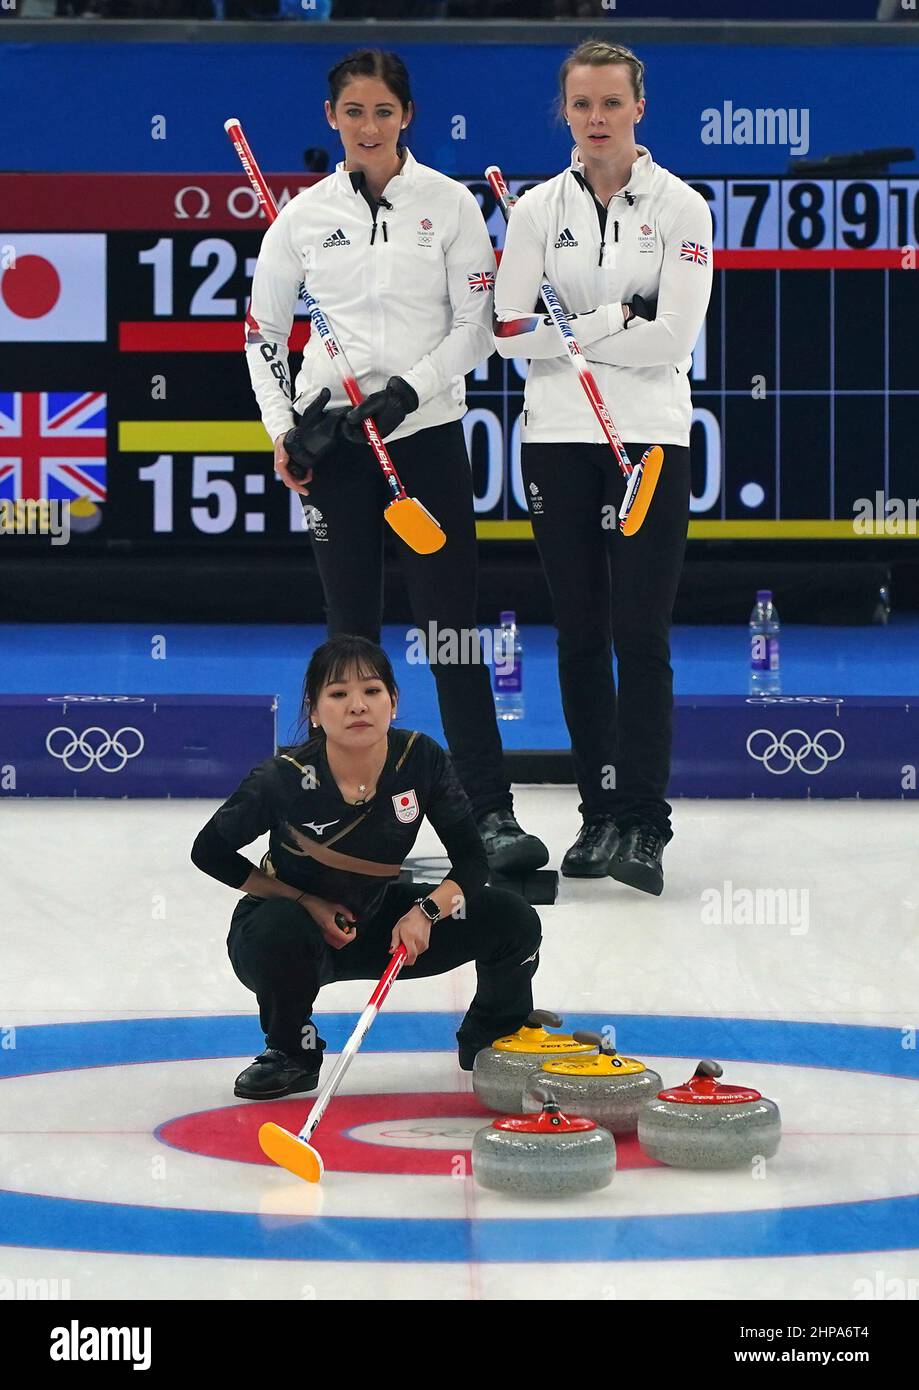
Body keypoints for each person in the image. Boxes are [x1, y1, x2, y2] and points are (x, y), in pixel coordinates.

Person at [245, 47, 547, 878]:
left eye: (383, 111)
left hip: (423, 441)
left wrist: (408, 393)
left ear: (406, 116)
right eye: (353, 112)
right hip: (336, 443)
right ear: (330, 119)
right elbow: (261, 334)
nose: (368, 127)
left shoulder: (446, 206)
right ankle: (330, 823)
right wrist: (283, 429)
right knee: (348, 643)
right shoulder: (302, 218)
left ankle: (487, 814)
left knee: (451, 634)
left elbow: (476, 324)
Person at [493, 39, 713, 896]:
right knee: (580, 635)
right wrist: (621, 312)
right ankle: (598, 811)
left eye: (610, 103)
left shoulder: (682, 208)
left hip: (649, 439)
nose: (595, 119)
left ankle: (643, 824)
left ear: (638, 108)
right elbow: (511, 338)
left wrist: (573, 333)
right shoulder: (537, 211)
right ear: (565, 112)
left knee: (640, 636)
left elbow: (675, 340)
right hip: (556, 437)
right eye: (581, 105)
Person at [191, 635, 542, 1099]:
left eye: (372, 691)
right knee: (277, 930)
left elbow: (473, 862)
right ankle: (291, 1052)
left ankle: (490, 1036)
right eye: (338, 694)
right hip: (294, 931)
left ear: (393, 702)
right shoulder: (284, 778)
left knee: (511, 917)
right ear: (314, 711)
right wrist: (306, 902)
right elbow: (209, 851)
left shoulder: (420, 760)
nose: (358, 705)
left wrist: (427, 913)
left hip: (380, 922)